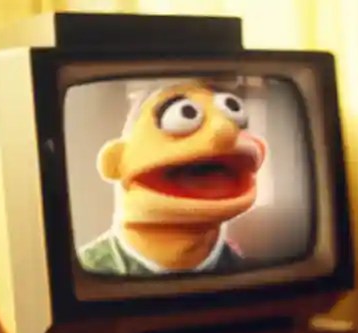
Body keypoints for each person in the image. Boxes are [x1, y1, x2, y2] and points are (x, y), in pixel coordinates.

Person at [79, 80, 267, 276]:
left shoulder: (241, 268)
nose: (223, 129)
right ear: (116, 160)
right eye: (196, 172)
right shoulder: (89, 268)